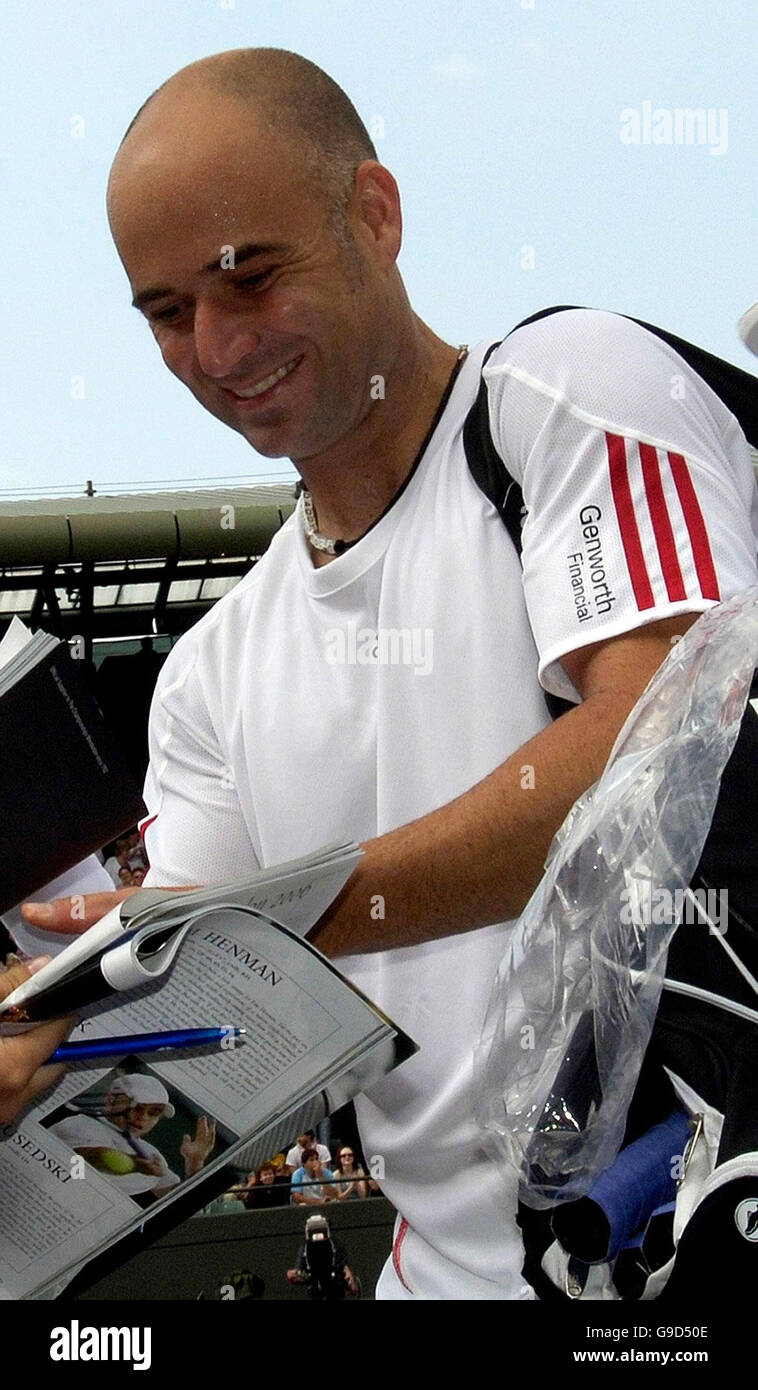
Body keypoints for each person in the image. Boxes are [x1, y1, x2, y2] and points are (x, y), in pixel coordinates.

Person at [23, 48, 758, 1297]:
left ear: (374, 212)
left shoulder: (565, 387)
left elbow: (659, 744)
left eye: (247, 277)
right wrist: (38, 1040)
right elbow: (199, 1026)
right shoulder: (209, 676)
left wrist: (276, 916)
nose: (214, 344)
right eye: (163, 313)